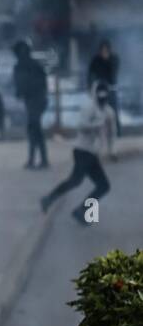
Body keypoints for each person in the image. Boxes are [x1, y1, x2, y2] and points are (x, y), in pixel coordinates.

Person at [40, 82, 115, 224]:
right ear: (95, 94)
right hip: (82, 150)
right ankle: (51, 200)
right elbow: (81, 125)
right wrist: (97, 125)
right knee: (76, 180)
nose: (102, 98)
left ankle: (79, 210)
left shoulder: (109, 112)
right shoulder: (89, 108)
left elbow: (112, 132)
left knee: (102, 185)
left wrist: (111, 150)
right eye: (100, 95)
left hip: (93, 153)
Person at [13, 40, 49, 169]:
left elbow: (23, 84)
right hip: (36, 100)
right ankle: (39, 159)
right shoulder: (32, 65)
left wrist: (21, 92)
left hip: (35, 100)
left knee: (34, 129)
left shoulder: (23, 66)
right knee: (35, 129)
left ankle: (36, 160)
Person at [87, 39, 122, 137]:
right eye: (102, 50)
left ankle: (117, 132)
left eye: (106, 50)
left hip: (111, 88)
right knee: (99, 111)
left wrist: (108, 60)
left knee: (113, 111)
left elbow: (113, 73)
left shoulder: (114, 59)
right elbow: (90, 73)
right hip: (100, 89)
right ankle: (100, 132)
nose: (104, 52)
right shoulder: (96, 60)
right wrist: (90, 86)